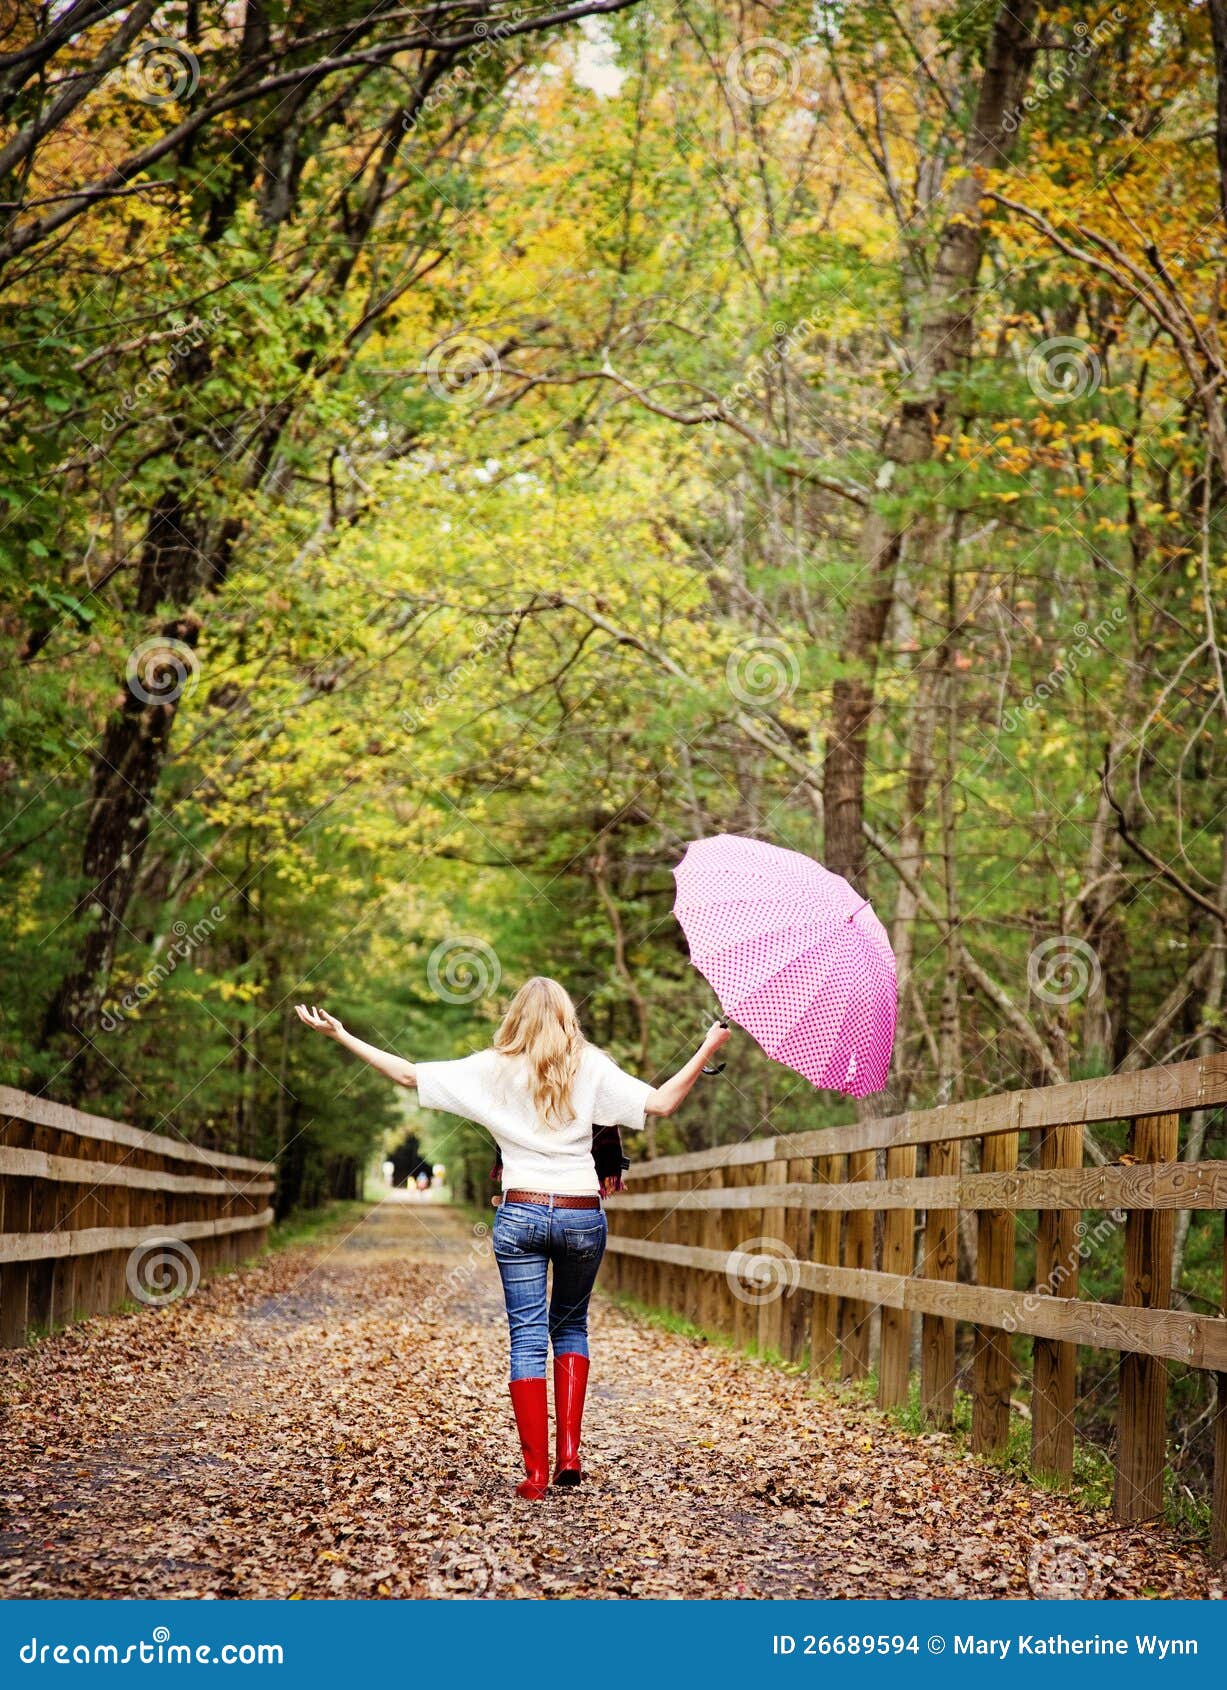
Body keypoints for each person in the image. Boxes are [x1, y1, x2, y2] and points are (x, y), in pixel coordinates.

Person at [295, 978, 730, 1500]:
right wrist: (708, 1045)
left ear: (516, 1017)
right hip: (580, 1214)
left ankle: (536, 1475)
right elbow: (660, 1104)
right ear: (568, 1016)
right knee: (571, 1327)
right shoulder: (590, 1065)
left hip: (521, 1212)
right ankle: (570, 1455)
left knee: (526, 1339)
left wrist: (343, 1035)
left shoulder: (493, 1068)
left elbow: (409, 1074)